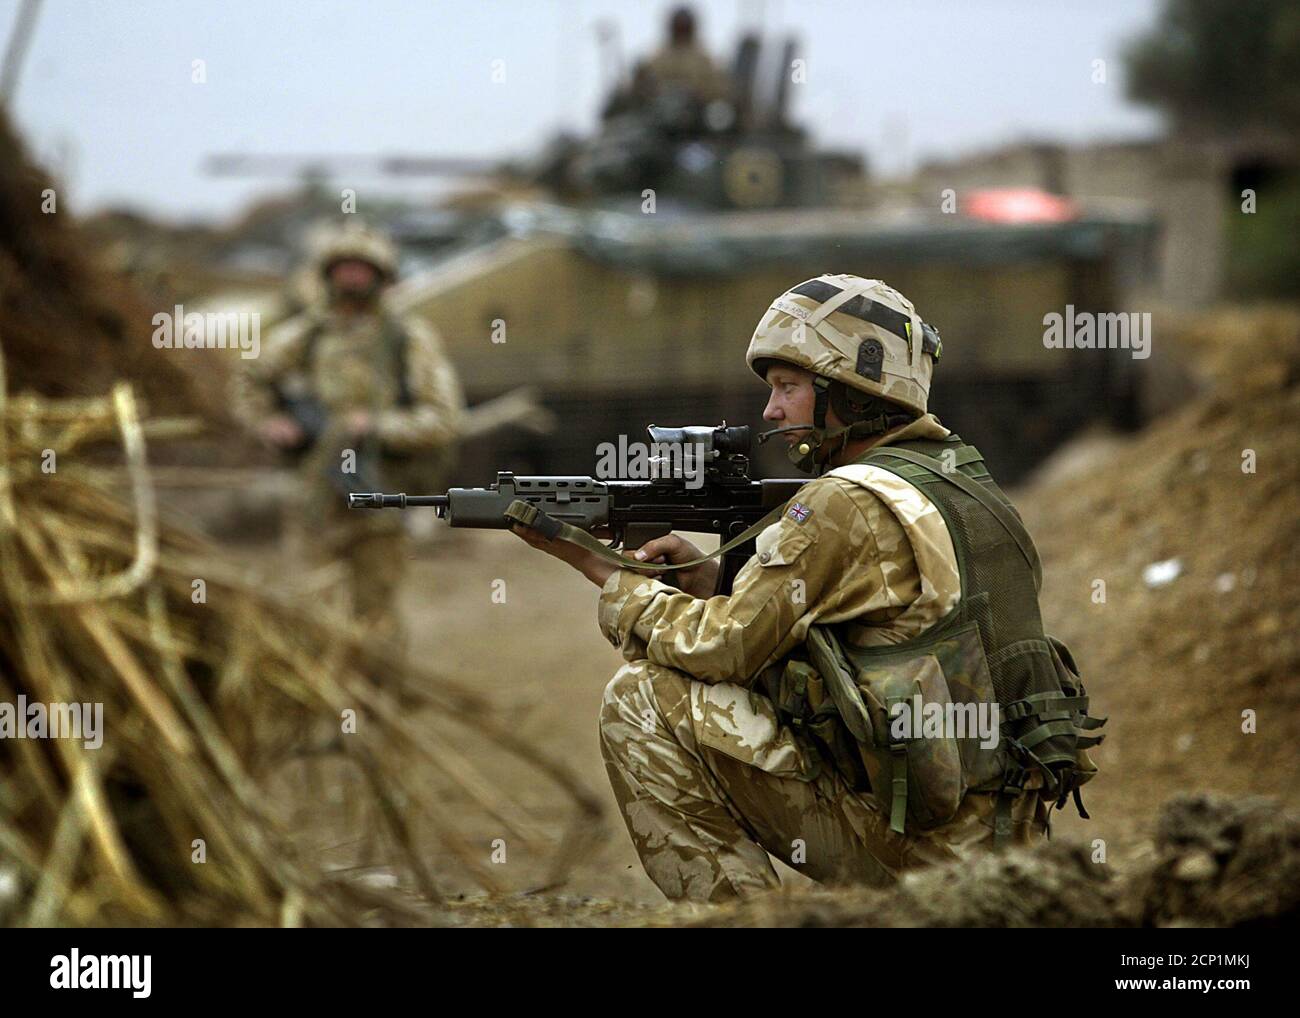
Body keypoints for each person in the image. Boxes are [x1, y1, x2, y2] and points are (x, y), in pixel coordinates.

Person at [512, 273, 1099, 903]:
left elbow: (723, 649)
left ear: (849, 390)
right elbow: (873, 617)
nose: (770, 411)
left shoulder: (845, 498)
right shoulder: (961, 482)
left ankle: (745, 921)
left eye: (789, 387)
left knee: (640, 698)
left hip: (928, 855)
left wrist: (606, 574)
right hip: (1002, 849)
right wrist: (710, 579)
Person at [232, 222, 464, 649]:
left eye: (363, 267)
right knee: (311, 615)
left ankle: (376, 706)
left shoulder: (408, 338)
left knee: (377, 617)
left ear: (382, 275)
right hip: (315, 502)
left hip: (381, 499)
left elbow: (443, 418)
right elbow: (250, 379)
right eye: (344, 267)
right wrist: (268, 422)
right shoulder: (305, 335)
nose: (353, 277)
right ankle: (326, 704)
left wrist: (375, 426)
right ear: (327, 274)